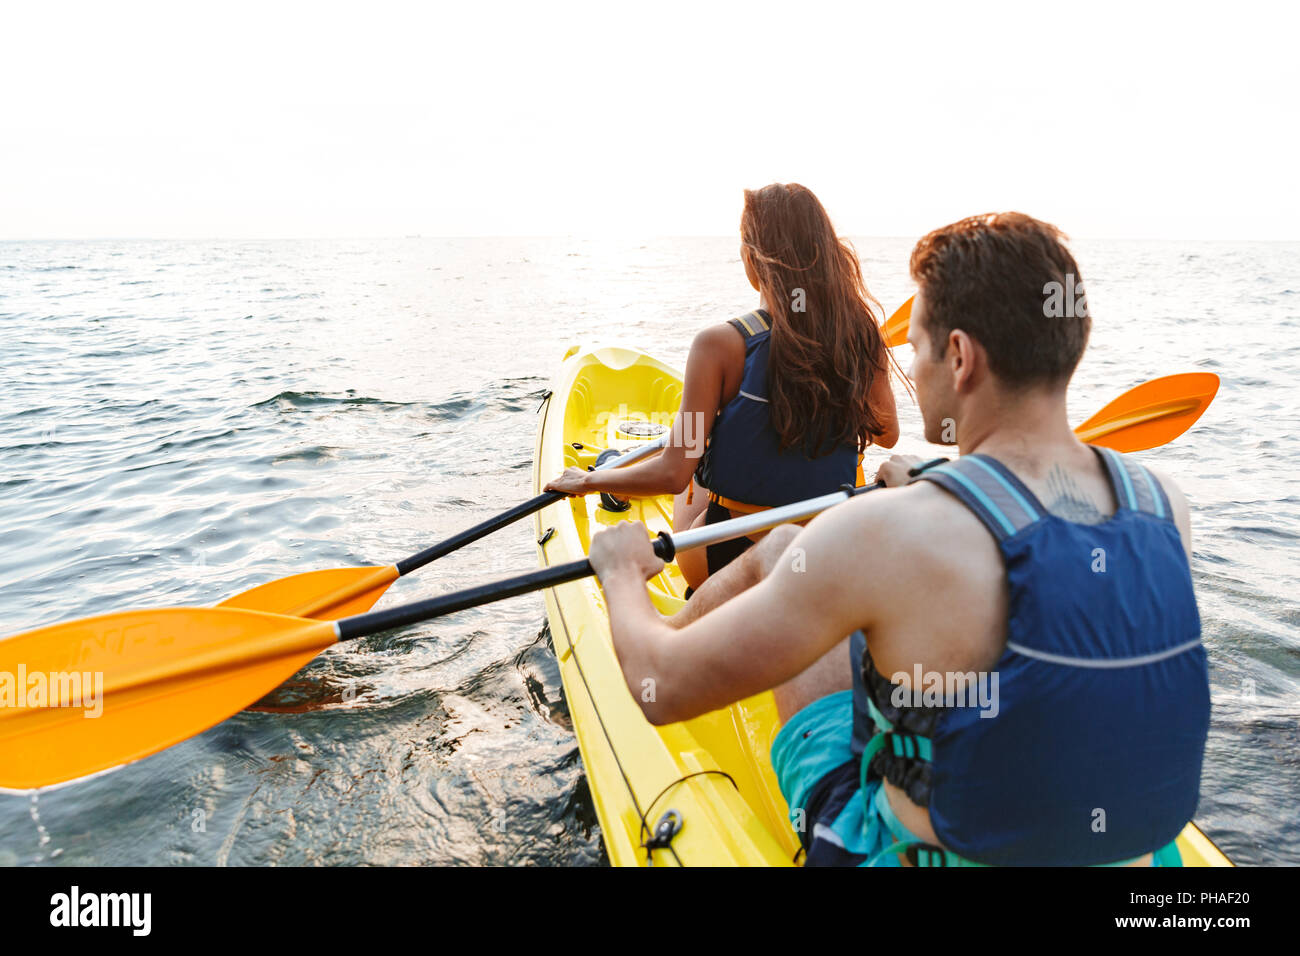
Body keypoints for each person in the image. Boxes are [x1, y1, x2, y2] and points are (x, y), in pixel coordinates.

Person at [586, 212, 1211, 866]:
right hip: (1137, 866)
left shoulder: (881, 536)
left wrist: (623, 572)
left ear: (961, 357)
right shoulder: (1163, 504)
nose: (911, 367)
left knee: (786, 559)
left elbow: (662, 688)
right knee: (786, 555)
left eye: (915, 347)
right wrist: (935, 485)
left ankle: (672, 622)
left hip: (916, 856)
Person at [545, 183, 899, 590]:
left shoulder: (718, 346)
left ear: (752, 259)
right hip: (826, 552)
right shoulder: (860, 335)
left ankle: (616, 474)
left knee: (697, 464)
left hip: (728, 559)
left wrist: (588, 481)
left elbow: (673, 475)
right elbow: (886, 435)